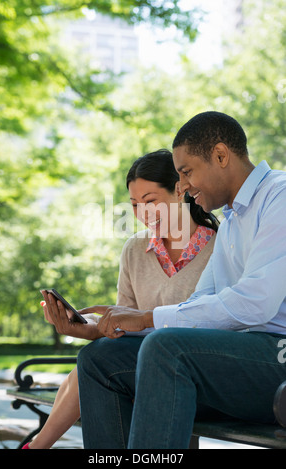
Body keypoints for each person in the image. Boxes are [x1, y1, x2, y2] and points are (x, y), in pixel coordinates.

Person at [75, 111, 286, 449]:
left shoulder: (279, 196)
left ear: (220, 155)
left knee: (167, 349)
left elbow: (255, 303)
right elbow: (196, 307)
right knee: (101, 358)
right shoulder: (232, 219)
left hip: (278, 360)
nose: (184, 186)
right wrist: (124, 324)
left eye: (187, 172)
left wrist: (147, 317)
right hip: (238, 359)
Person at [25, 149, 217, 449]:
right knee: (94, 360)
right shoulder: (134, 249)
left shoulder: (221, 247)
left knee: (92, 365)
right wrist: (86, 328)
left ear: (181, 192)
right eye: (135, 205)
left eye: (150, 201)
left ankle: (36, 446)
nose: (142, 213)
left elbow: (223, 322)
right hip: (135, 367)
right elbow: (124, 326)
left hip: (196, 370)